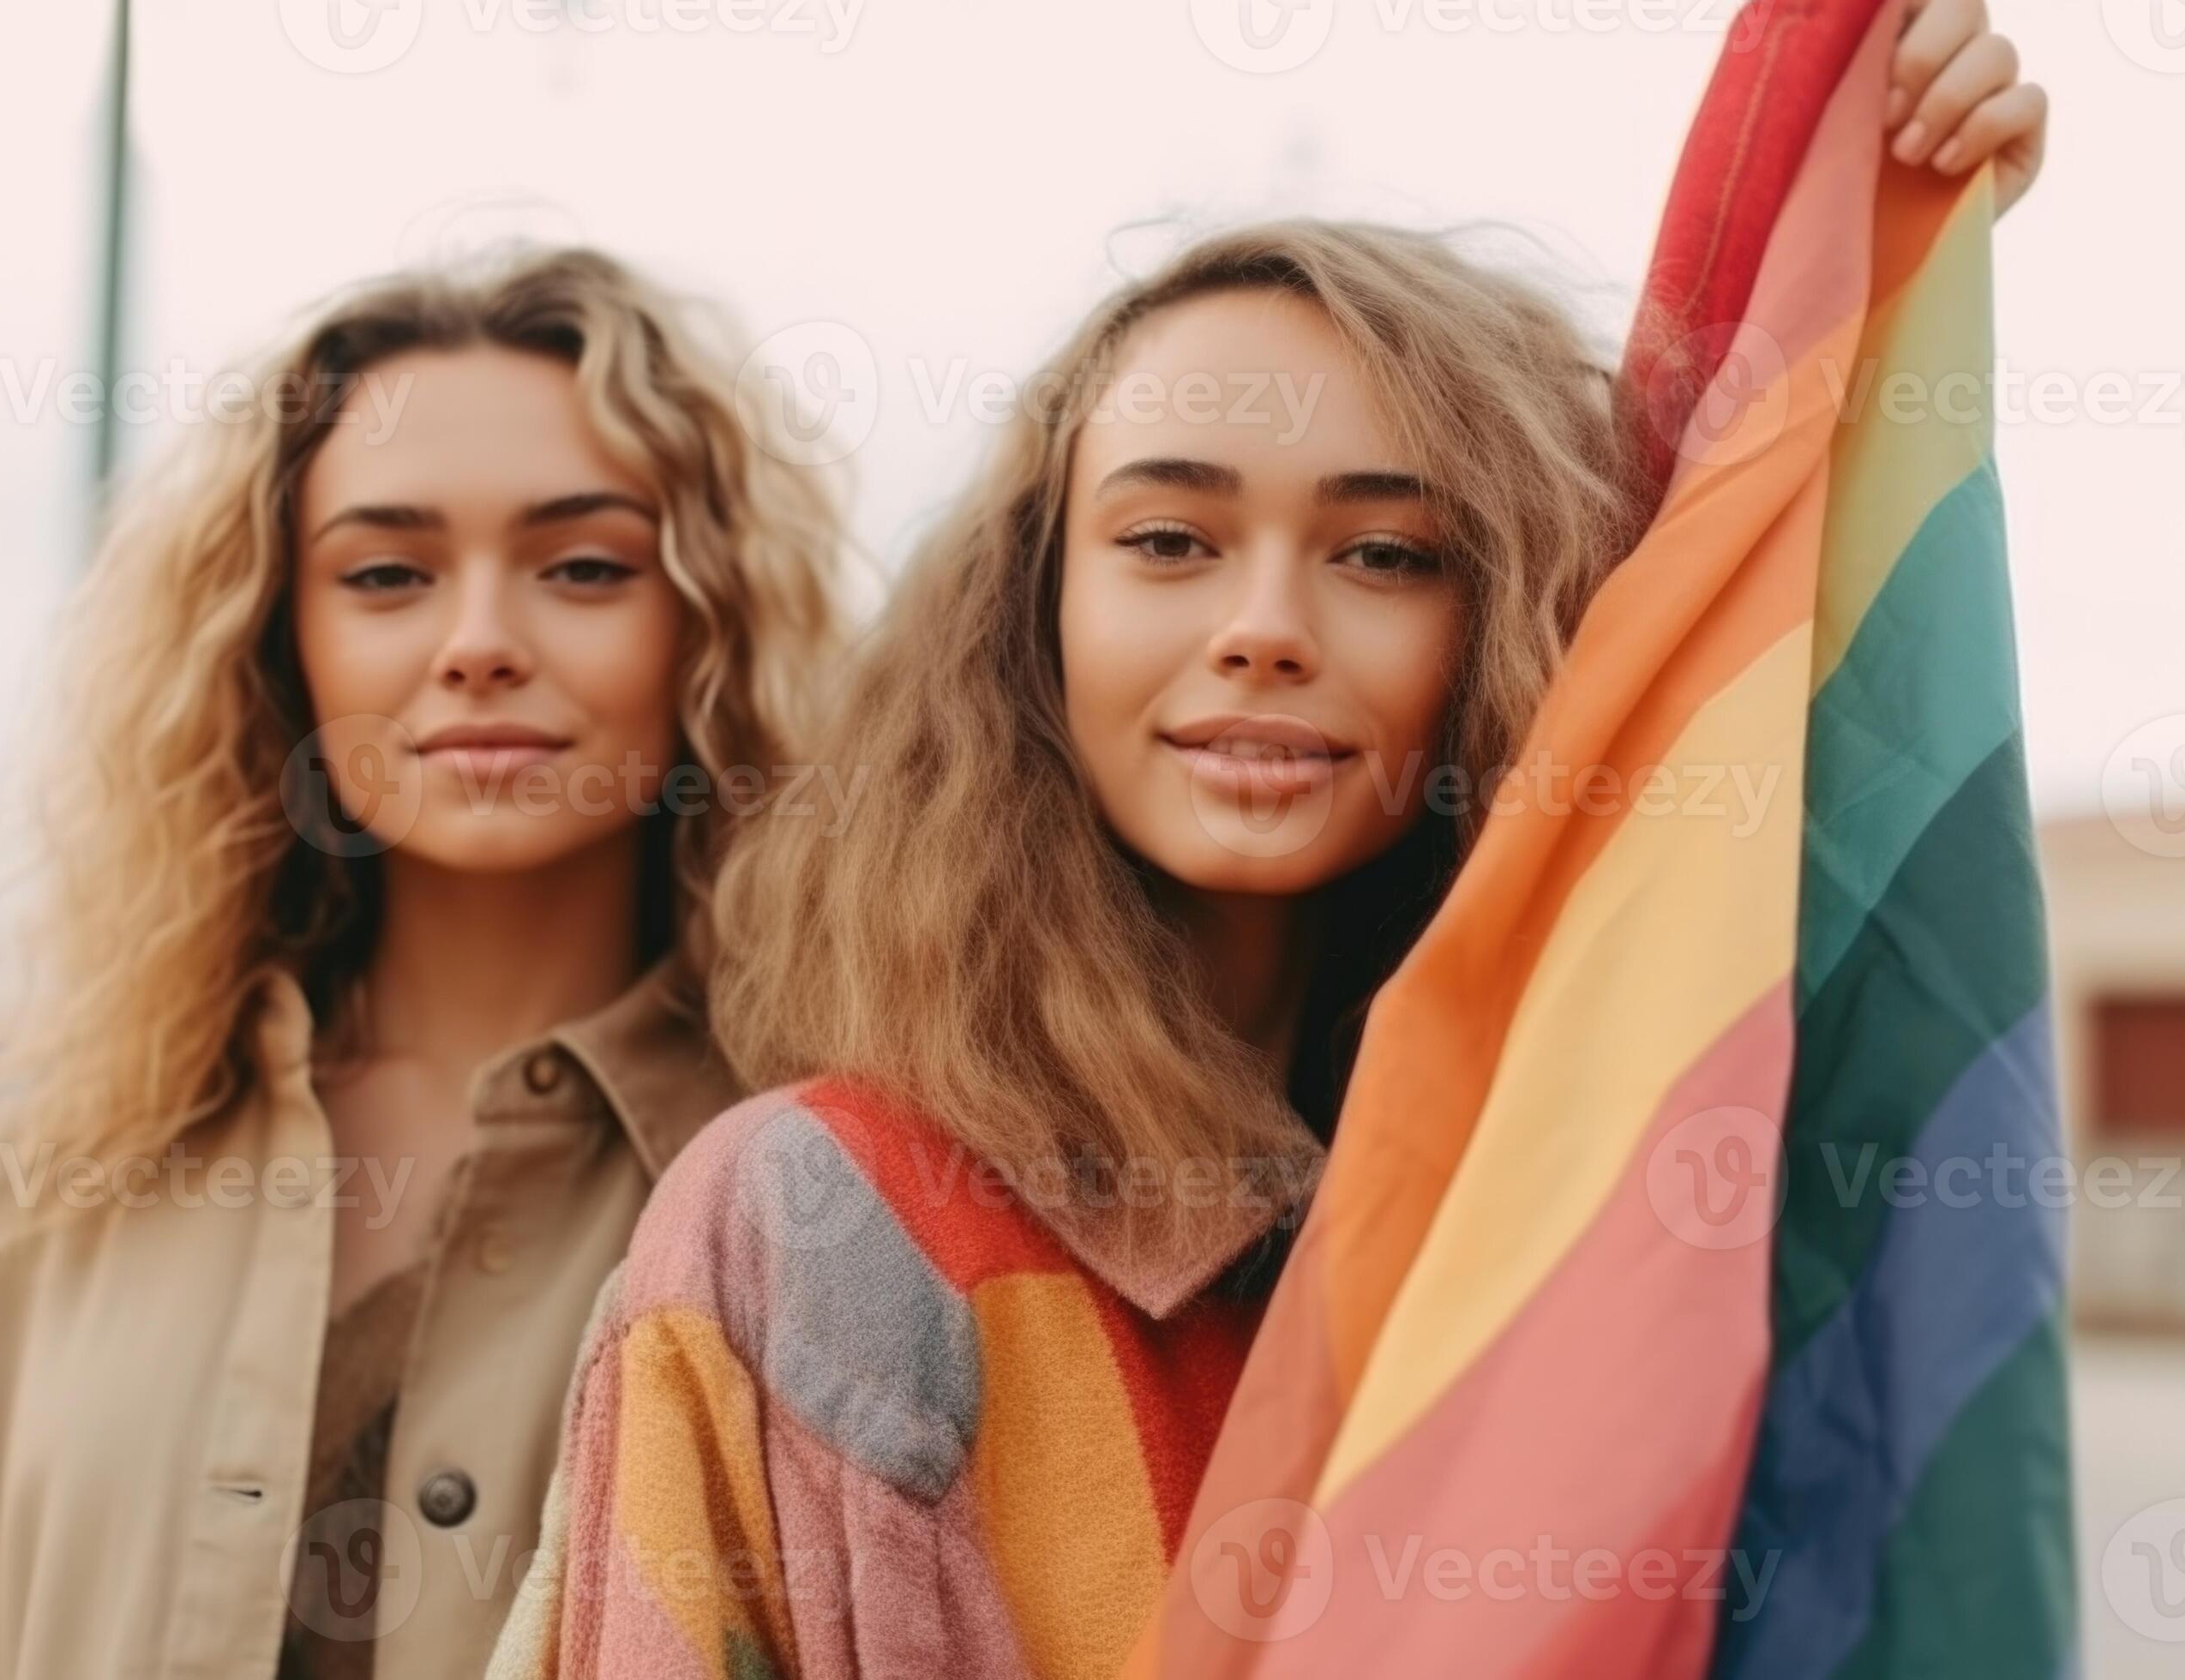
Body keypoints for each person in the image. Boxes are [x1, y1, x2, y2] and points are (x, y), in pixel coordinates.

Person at [489, 5, 2047, 1675]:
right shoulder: (823, 1218)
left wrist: (1876, 248)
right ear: (1036, 615)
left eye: (1387, 555)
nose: (1264, 626)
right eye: (1168, 536)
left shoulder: (1595, 1206)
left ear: (1520, 627)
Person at [0, 246, 842, 1680]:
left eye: (584, 567)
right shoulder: (49, 1195)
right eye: (387, 573)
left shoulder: (826, 1206)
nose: (477, 644)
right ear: (288, 638)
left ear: (704, 623)